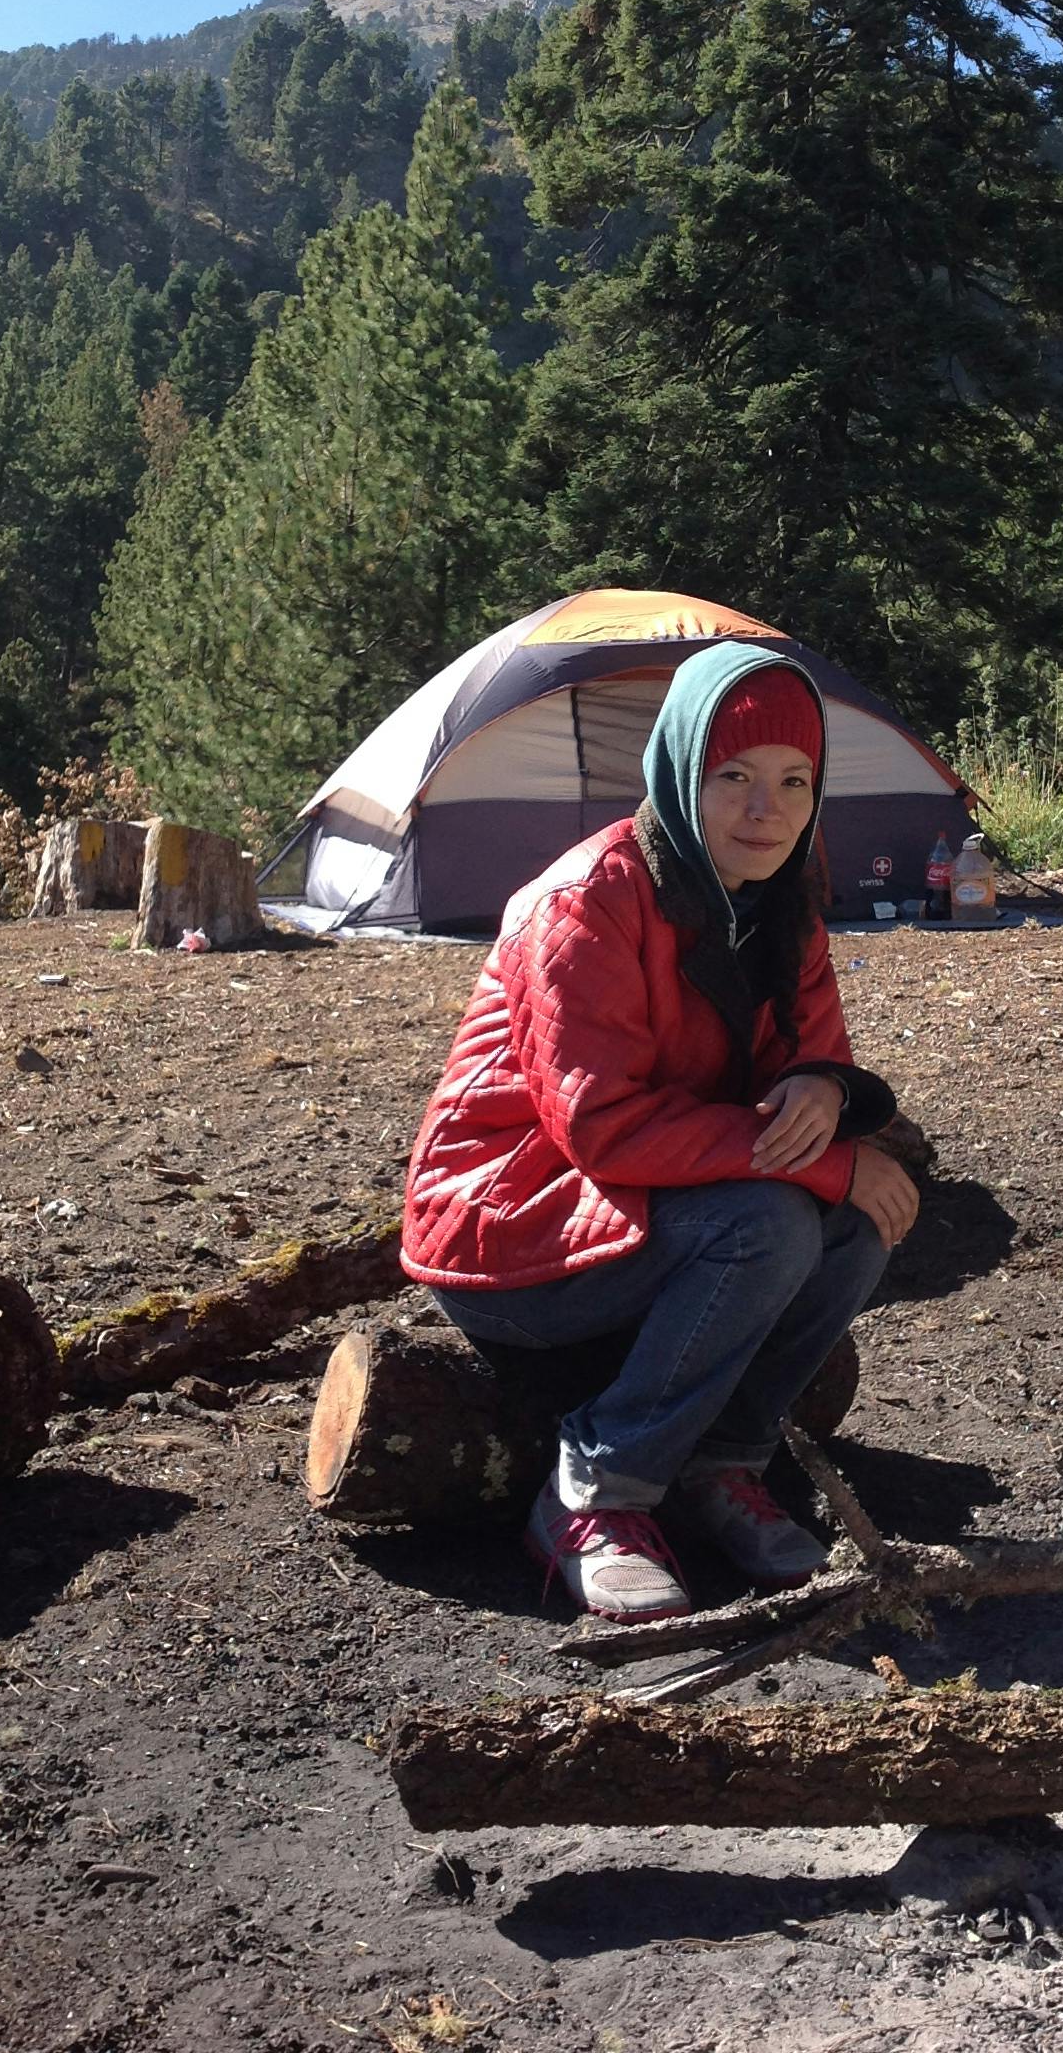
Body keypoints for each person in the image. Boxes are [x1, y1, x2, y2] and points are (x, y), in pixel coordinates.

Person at [401, 641, 920, 1621]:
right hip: (511, 1225)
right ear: (680, 771)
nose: (764, 809)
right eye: (732, 778)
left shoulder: (781, 900)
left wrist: (822, 1091)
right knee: (773, 1224)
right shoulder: (584, 903)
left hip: (648, 1203)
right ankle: (597, 1490)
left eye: (792, 780)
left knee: (860, 1222)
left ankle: (719, 1466)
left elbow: (817, 1052)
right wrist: (827, 1164)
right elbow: (603, 1128)